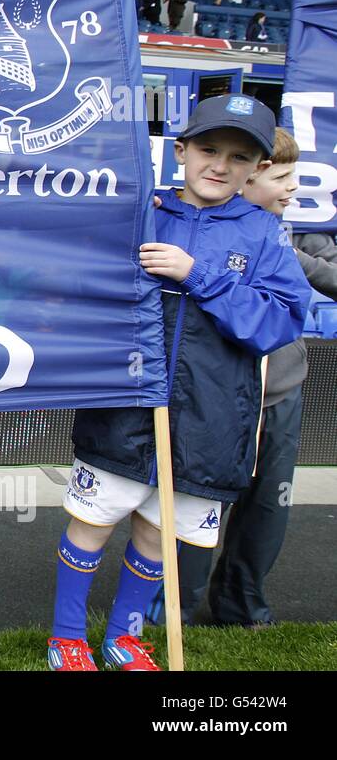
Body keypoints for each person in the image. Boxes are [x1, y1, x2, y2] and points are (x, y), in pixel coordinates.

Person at [50, 94, 309, 671]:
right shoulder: (145, 211)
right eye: (209, 149)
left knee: (157, 533)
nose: (220, 165)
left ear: (257, 168)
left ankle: (125, 637)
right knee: (92, 520)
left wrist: (200, 277)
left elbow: (278, 323)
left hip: (212, 419)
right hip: (125, 406)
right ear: (182, 150)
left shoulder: (264, 235)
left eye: (239, 157)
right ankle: (66, 637)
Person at [168, 128, 337, 629]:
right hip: (211, 395)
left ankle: (242, 609)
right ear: (246, 177)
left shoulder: (288, 235)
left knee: (267, 507)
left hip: (278, 394)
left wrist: (283, 253)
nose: (292, 188)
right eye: (282, 176)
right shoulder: (196, 227)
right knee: (198, 502)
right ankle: (169, 610)